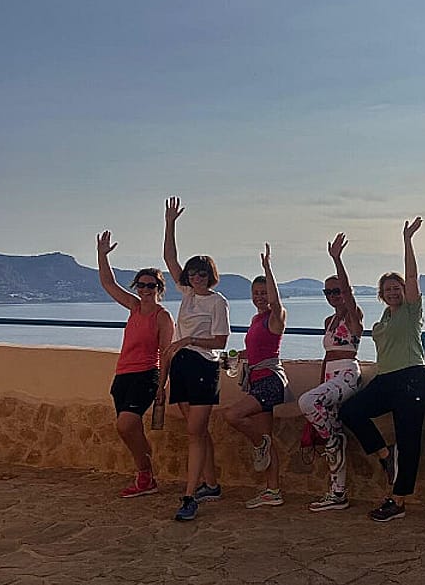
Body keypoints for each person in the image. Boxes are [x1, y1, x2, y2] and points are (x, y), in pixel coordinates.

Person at [339, 217, 425, 522]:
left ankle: (398, 500)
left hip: (412, 379)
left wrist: (407, 241)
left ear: (405, 290)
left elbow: (413, 274)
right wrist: (338, 260)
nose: (393, 292)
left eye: (397, 287)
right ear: (380, 294)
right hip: (387, 379)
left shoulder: (411, 311)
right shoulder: (385, 318)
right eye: (387, 289)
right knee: (350, 411)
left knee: (408, 440)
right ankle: (384, 454)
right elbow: (350, 304)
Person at [162, 197, 230, 522]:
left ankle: (189, 495)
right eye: (193, 272)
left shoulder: (218, 303)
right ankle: (212, 485)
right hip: (182, 365)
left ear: (210, 275)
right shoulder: (187, 294)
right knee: (198, 432)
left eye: (202, 272)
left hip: (203, 365)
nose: (197, 276)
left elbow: (220, 341)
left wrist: (187, 339)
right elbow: (169, 257)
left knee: (194, 432)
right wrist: (170, 222)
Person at [96, 231, 174, 498]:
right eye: (141, 285)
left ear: (159, 289)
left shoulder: (163, 317)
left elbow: (166, 353)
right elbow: (108, 283)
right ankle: (146, 476)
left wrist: (162, 384)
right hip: (123, 375)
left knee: (125, 425)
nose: (145, 289)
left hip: (146, 375)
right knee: (131, 426)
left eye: (150, 285)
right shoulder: (133, 306)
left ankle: (145, 473)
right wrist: (102, 256)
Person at [299, 233, 365, 512]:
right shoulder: (328, 321)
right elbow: (327, 356)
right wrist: (320, 380)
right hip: (330, 376)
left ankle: (333, 437)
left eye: (336, 291)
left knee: (306, 402)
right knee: (332, 437)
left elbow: (349, 294)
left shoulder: (353, 315)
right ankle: (338, 493)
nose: (333, 296)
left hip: (347, 374)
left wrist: (337, 259)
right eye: (328, 292)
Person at [222, 244, 287, 509]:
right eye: (256, 293)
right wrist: (229, 359)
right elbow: (254, 351)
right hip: (257, 379)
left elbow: (276, 302)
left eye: (264, 292)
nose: (260, 297)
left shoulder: (276, 317)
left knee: (232, 415)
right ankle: (273, 491)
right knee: (267, 436)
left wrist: (267, 268)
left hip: (271, 380)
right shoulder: (255, 320)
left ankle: (259, 444)